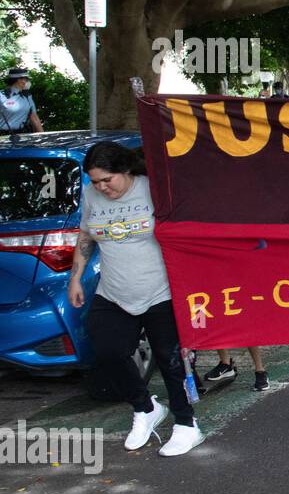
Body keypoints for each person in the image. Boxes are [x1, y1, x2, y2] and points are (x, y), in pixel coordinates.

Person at [67, 142, 206, 456]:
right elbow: (87, 235)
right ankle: (145, 409)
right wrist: (76, 277)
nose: (102, 188)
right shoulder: (92, 195)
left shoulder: (154, 189)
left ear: (125, 170)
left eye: (107, 180)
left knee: (170, 360)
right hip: (114, 291)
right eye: (95, 182)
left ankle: (186, 424)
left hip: (161, 291)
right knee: (106, 350)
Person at [1, 67, 44, 135]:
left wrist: (43, 136)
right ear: (18, 80)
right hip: (3, 137)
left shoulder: (27, 96)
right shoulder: (1, 96)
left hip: (22, 137)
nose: (27, 82)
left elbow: (34, 118)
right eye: (26, 79)